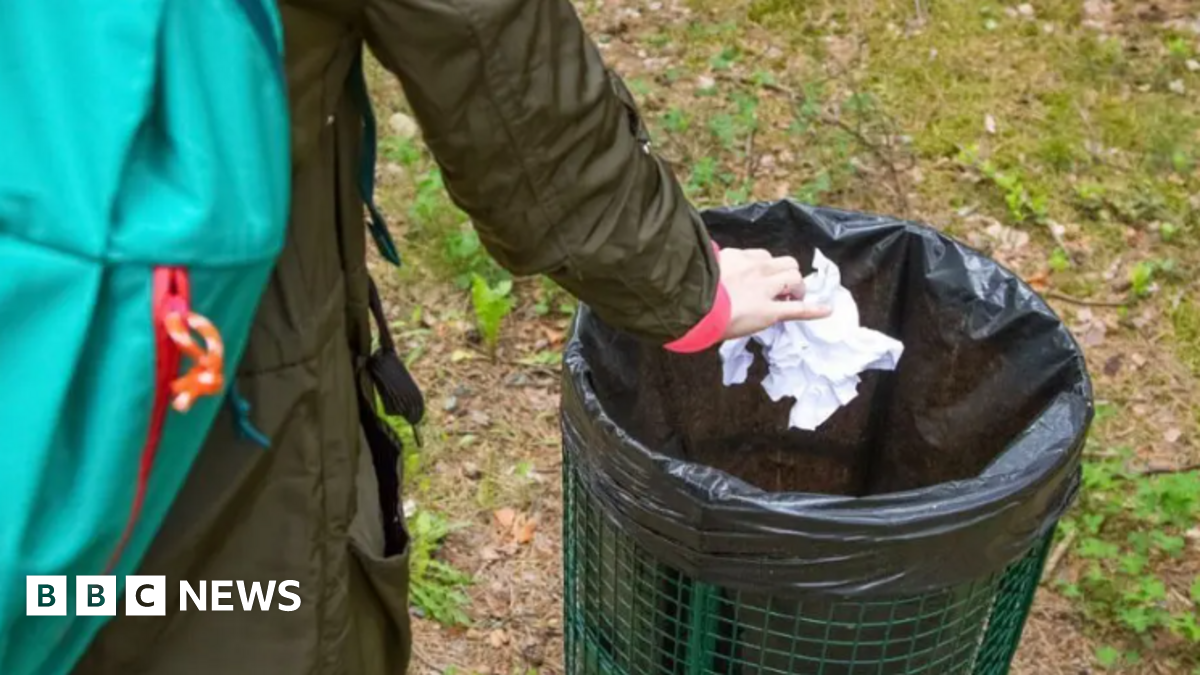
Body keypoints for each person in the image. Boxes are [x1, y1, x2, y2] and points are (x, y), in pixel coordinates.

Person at [70, 1, 829, 673]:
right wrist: (682, 284)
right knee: (220, 601)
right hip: (192, 299)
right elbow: (484, 36)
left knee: (65, 582)